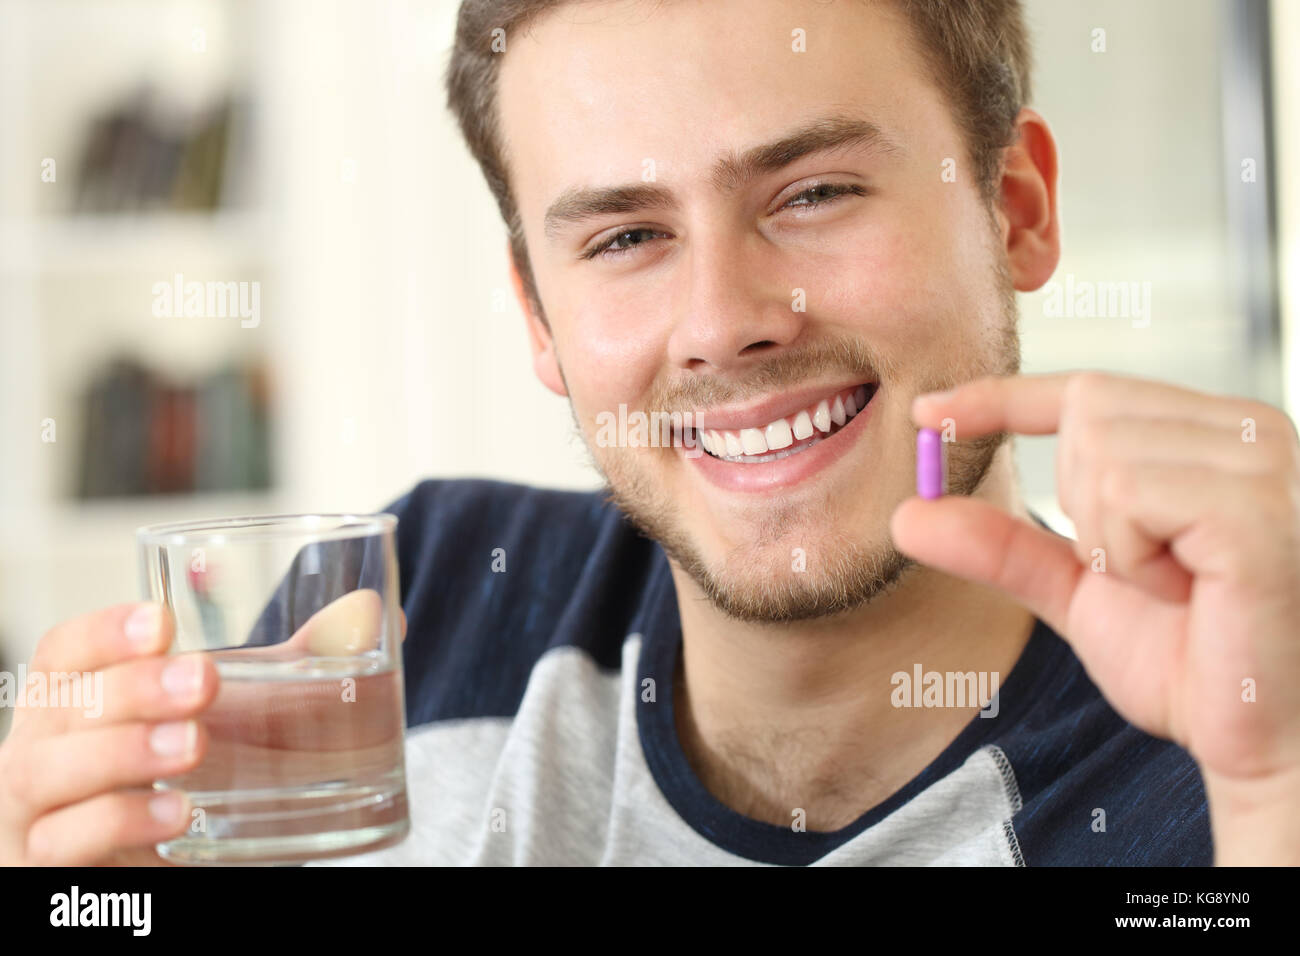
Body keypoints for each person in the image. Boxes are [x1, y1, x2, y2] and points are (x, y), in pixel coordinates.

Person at [4, 0, 1298, 866]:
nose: (723, 321)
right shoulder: (411, 616)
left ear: (1015, 211)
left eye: (816, 192)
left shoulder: (1226, 781)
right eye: (625, 236)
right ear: (539, 317)